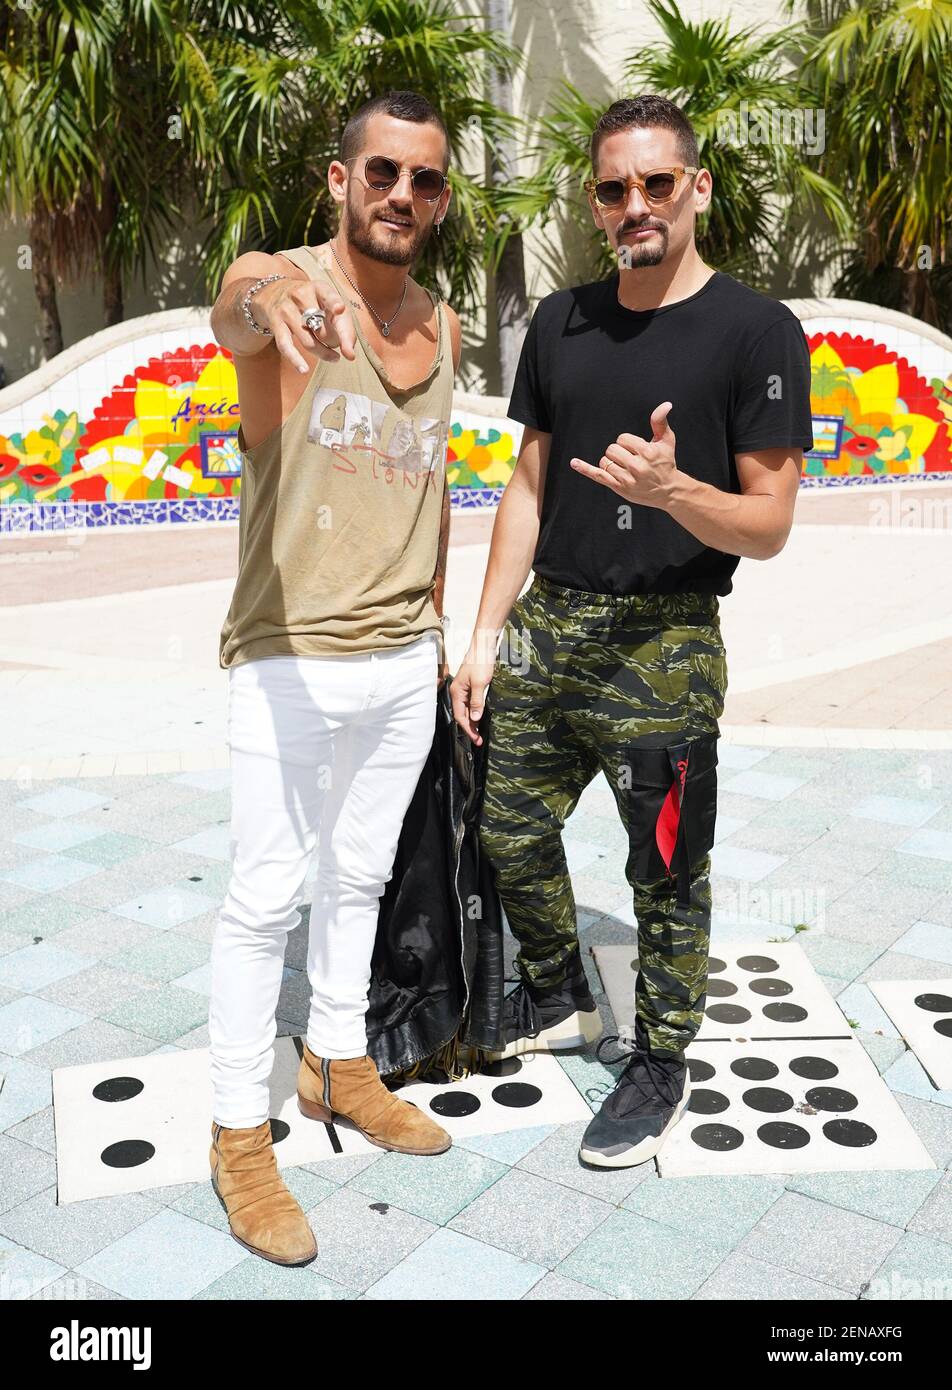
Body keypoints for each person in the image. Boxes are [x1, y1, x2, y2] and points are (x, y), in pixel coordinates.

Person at [451, 94, 813, 1170]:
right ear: (596, 202)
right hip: (546, 624)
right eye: (614, 188)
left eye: (658, 183)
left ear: (697, 187)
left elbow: (770, 525)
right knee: (507, 829)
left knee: (665, 866)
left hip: (667, 639)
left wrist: (670, 493)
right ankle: (560, 989)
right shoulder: (560, 322)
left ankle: (659, 1055)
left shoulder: (757, 330)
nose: (635, 205)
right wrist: (484, 635)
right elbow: (523, 489)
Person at [207, 90, 463, 1264]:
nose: (401, 194)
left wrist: (444, 632)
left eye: (425, 179)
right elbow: (235, 300)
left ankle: (338, 1063)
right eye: (382, 172)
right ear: (339, 178)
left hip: (402, 660)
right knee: (265, 894)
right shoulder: (292, 292)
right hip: (288, 658)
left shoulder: (448, 326)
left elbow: (434, 486)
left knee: (356, 875)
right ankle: (235, 1137)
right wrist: (273, 295)